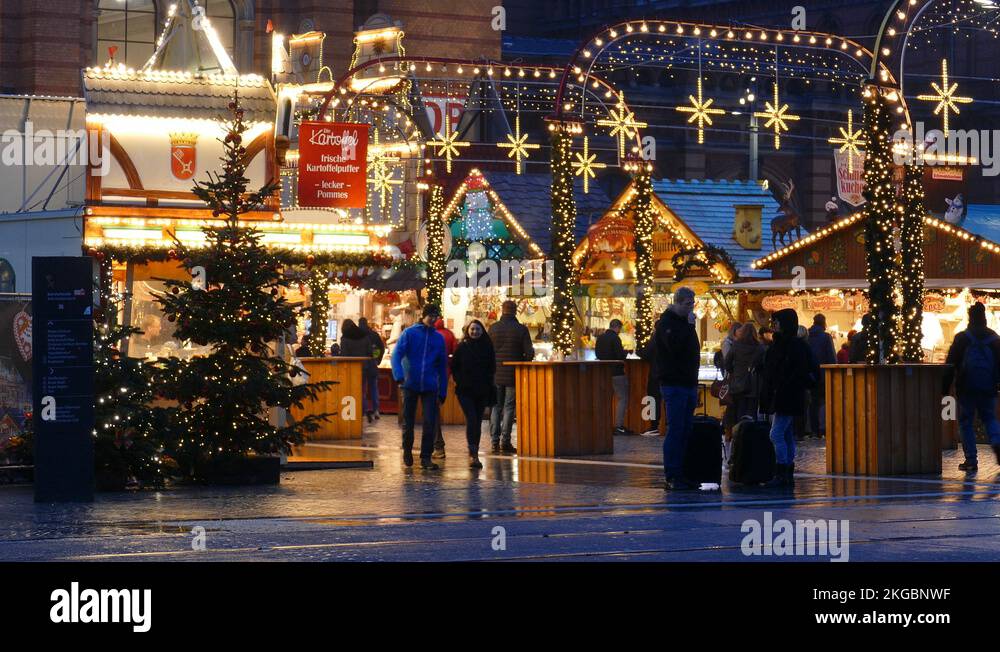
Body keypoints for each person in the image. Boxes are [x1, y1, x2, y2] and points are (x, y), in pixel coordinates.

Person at [759, 309, 815, 487]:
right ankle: (787, 472)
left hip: (787, 394)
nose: (773, 326)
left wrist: (784, 383)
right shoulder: (785, 344)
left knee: (775, 434)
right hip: (786, 394)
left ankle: (782, 469)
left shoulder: (789, 345)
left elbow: (797, 370)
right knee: (787, 434)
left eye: (776, 323)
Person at [942, 302, 1000, 472]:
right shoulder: (995, 339)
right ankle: (997, 442)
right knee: (990, 418)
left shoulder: (962, 338)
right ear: (984, 318)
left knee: (966, 422)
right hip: (988, 388)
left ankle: (971, 460)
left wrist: (944, 389)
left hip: (966, 388)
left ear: (970, 317)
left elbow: (950, 364)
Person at [390, 304, 448, 470]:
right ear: (424, 316)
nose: (433, 319)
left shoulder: (438, 338)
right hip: (410, 384)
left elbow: (442, 367)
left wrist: (442, 390)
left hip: (429, 386)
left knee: (430, 422)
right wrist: (399, 375)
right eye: (431, 316)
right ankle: (407, 449)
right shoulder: (410, 333)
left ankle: (426, 457)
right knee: (408, 421)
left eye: (436, 316)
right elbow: (397, 355)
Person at [655, 287, 701, 490]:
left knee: (685, 429)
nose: (690, 308)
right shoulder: (666, 323)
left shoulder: (684, 324)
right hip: (674, 383)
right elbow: (675, 347)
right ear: (677, 302)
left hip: (688, 383)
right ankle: (672, 474)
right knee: (676, 429)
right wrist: (690, 327)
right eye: (687, 304)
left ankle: (682, 471)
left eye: (692, 304)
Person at [488, 300, 534, 455]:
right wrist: (524, 363)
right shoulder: (521, 329)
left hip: (495, 374)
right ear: (515, 311)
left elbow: (487, 351)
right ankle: (505, 442)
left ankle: (494, 442)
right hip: (513, 374)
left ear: (502, 310)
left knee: (496, 407)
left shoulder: (493, 328)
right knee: (509, 408)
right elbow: (529, 353)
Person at [451, 320, 497, 469]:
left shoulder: (488, 347)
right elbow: (454, 366)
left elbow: (492, 367)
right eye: (472, 329)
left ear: (482, 331)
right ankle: (473, 454)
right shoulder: (462, 347)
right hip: (465, 390)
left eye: (477, 329)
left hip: (482, 390)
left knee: (477, 421)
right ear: (468, 331)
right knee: (472, 418)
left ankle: (474, 452)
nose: (475, 332)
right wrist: (459, 380)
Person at [596, 319, 633, 436]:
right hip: (616, 372)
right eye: (620, 329)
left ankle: (603, 424)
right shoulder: (615, 338)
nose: (619, 331)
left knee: (606, 399)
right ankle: (618, 426)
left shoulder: (600, 338)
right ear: (617, 327)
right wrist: (626, 352)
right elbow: (619, 355)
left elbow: (597, 354)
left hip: (603, 371)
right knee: (622, 398)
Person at [725, 323, 766, 423]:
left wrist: (733, 372)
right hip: (754, 383)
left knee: (739, 411)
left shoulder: (736, 346)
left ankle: (739, 434)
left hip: (738, 382)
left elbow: (727, 362)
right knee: (752, 411)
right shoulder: (759, 347)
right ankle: (750, 434)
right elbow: (763, 365)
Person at [339, 319, 376, 421]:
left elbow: (344, 355)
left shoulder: (345, 338)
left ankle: (353, 411)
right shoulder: (364, 336)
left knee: (351, 390)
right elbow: (370, 352)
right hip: (364, 367)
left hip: (350, 368)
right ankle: (364, 410)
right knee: (362, 390)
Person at [807, 314, 837, 439]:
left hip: (809, 374)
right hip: (823, 374)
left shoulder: (807, 337)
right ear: (824, 323)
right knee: (825, 402)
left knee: (812, 402)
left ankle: (813, 429)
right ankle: (822, 428)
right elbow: (831, 356)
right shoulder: (826, 337)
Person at [432, 318, 458, 458]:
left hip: (430, 375)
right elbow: (455, 351)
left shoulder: (432, 335)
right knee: (434, 407)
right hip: (445, 371)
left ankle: (436, 447)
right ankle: (436, 446)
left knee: (431, 410)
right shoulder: (449, 334)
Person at [359, 317, 385, 421]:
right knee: (374, 388)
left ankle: (364, 410)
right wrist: (377, 359)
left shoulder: (358, 335)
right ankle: (376, 410)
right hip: (372, 365)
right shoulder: (374, 335)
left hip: (362, 366)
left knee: (362, 389)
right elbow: (381, 348)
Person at [638, 335, 662, 436]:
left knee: (653, 399)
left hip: (656, 374)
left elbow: (645, 354)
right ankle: (669, 425)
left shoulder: (655, 338)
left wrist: (638, 350)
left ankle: (654, 426)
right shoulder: (674, 335)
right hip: (669, 375)